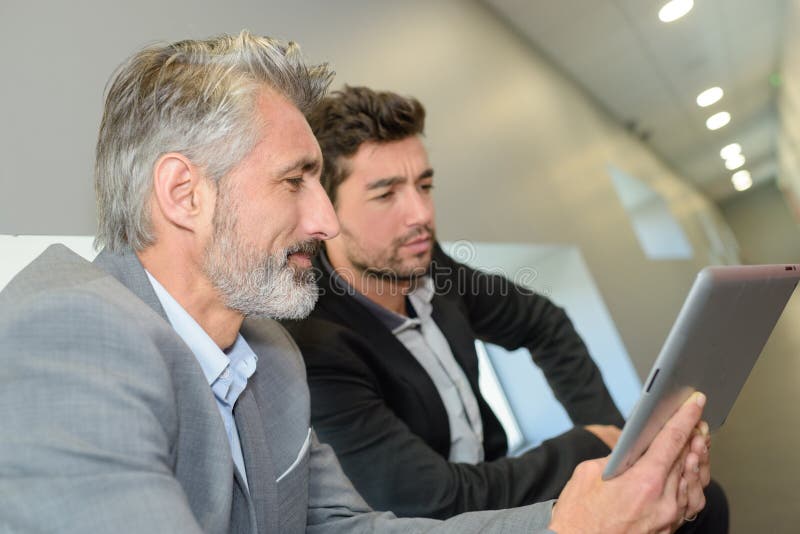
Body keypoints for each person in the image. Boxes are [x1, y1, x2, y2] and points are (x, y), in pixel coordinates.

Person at [0, 33, 710, 534]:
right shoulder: (70, 332)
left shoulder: (267, 357)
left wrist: (569, 523)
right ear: (186, 194)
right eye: (294, 181)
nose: (320, 218)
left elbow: (354, 531)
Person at [286, 85, 726, 530]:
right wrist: (588, 446)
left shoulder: (428, 264)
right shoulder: (315, 342)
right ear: (326, 210)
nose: (420, 214)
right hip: (437, 523)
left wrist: (616, 447)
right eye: (386, 194)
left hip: (494, 483)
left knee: (700, 505)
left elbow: (543, 322)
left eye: (425, 185)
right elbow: (432, 500)